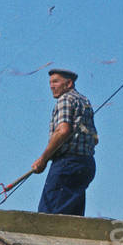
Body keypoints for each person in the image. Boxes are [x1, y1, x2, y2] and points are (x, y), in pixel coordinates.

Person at [32, 69, 98, 216]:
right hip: (86, 165)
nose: (51, 86)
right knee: (72, 217)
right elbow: (95, 139)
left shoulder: (65, 99)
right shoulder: (85, 102)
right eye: (50, 82)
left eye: (56, 82)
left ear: (69, 84)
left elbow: (63, 131)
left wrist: (43, 159)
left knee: (49, 216)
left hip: (67, 164)